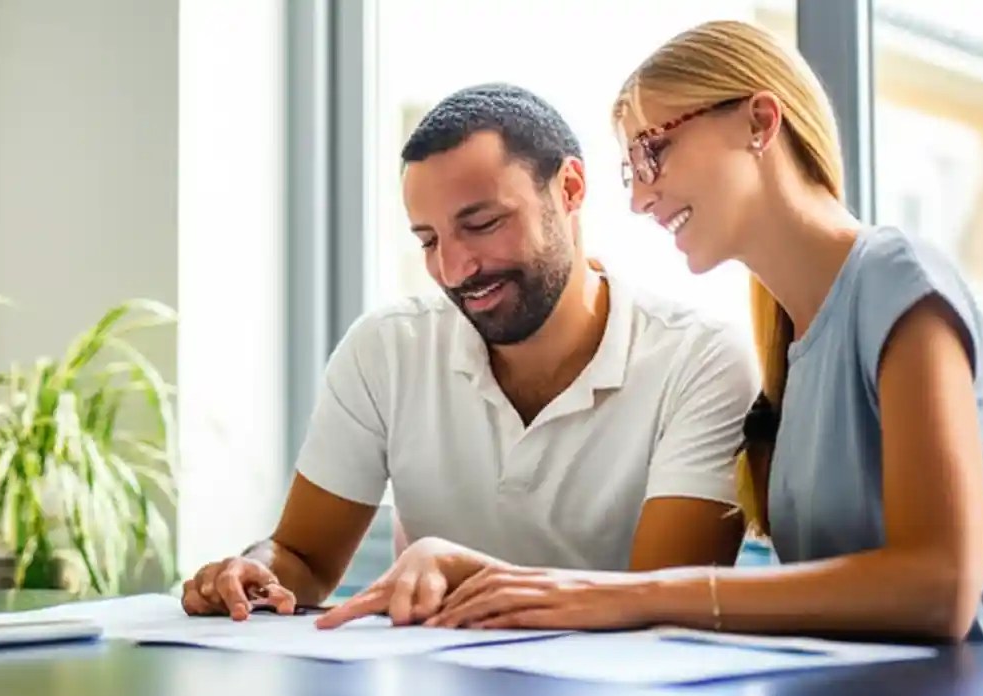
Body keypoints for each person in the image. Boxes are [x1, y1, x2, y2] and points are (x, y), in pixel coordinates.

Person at [340, 19, 983, 644]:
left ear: (759, 121)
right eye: (632, 171)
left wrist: (643, 595)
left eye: (654, 152)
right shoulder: (789, 355)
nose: (637, 197)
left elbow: (941, 589)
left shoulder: (896, 278)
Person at [181, 83, 760, 624]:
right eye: (428, 240)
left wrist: (475, 574)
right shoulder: (386, 349)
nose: (455, 269)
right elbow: (302, 559)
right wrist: (257, 570)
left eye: (482, 224)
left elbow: (666, 601)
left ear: (571, 190)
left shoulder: (700, 358)